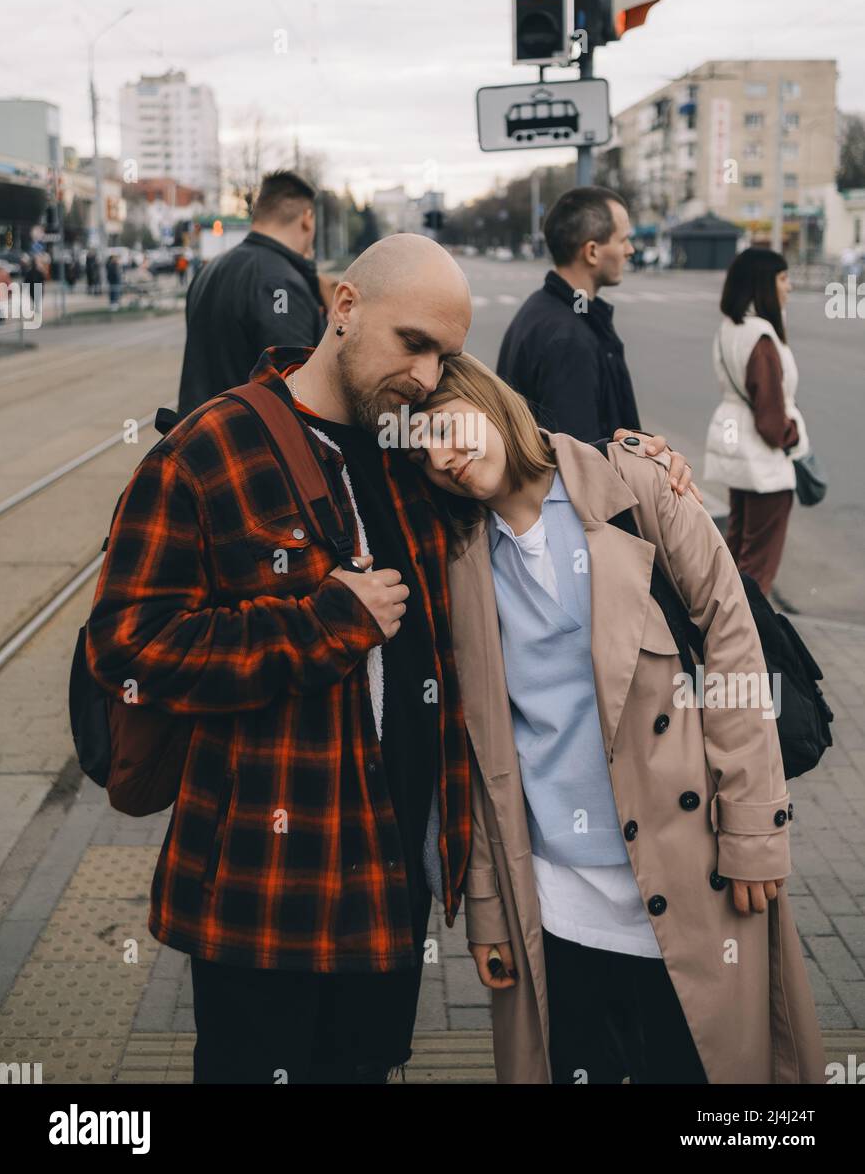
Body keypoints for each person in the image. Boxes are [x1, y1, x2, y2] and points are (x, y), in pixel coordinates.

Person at [86, 233, 698, 1085]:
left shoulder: (414, 457)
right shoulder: (207, 450)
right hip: (262, 895)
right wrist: (322, 622)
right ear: (344, 307)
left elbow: (526, 476)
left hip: (388, 894)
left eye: (446, 353)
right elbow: (129, 650)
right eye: (413, 342)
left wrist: (637, 467)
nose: (424, 373)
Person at [408, 352, 826, 1085]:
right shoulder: (458, 555)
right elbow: (474, 750)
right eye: (425, 456)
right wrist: (486, 906)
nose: (445, 457)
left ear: (486, 398)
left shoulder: (631, 483)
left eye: (446, 426)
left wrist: (756, 828)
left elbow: (732, 638)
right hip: (552, 897)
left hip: (691, 866)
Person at [496, 187, 643, 445]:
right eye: (623, 240)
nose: (630, 250)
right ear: (592, 252)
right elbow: (578, 461)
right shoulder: (568, 337)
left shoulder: (549, 309)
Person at [177, 170, 326, 419]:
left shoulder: (210, 269)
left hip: (202, 436)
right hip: (247, 446)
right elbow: (297, 391)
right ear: (307, 219)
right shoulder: (281, 282)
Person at [704, 248, 809, 596]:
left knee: (736, 550)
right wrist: (792, 437)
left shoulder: (728, 329)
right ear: (763, 284)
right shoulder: (761, 337)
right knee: (758, 566)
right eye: (782, 278)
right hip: (764, 463)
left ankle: (719, 631)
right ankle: (750, 638)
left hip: (737, 452)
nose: (789, 287)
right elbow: (770, 419)